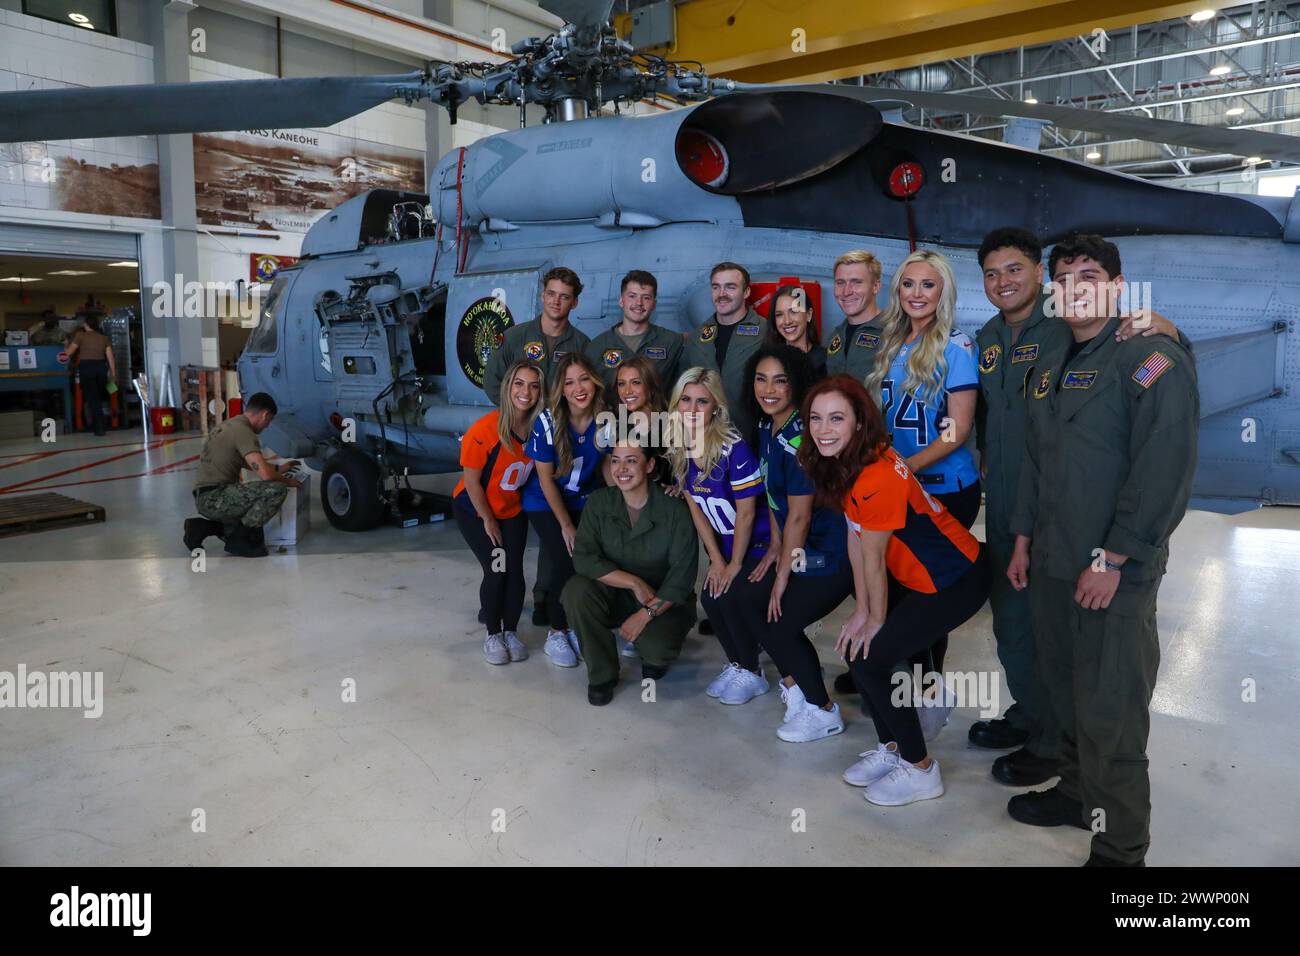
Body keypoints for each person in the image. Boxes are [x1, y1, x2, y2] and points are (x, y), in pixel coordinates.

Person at [971, 227, 1187, 787]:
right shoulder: (992, 337)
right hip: (1030, 516)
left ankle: (1087, 794)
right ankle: (1051, 745)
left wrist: (1169, 328)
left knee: (1105, 680)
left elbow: (1160, 457)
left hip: (1095, 531)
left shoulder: (1089, 338)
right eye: (992, 273)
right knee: (1032, 639)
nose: (1003, 282)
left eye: (1015, 269)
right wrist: (1021, 533)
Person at [802, 375, 991, 806]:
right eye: (816, 418)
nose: (823, 429)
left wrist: (874, 619)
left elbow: (873, 559)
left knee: (870, 659)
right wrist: (860, 613)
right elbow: (855, 539)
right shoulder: (846, 463)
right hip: (921, 579)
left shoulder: (877, 474)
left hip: (955, 579)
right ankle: (893, 750)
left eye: (836, 418)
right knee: (861, 651)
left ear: (858, 423)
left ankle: (921, 769)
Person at [846, 249, 980, 733]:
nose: (917, 294)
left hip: (942, 488)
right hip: (897, 489)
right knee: (900, 588)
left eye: (928, 285)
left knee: (924, 594)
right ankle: (904, 684)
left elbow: (958, 430)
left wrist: (904, 469)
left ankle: (929, 690)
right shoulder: (892, 341)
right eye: (908, 284)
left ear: (942, 291)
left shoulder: (958, 345)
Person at [737, 344, 850, 742]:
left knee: (779, 615)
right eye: (761, 379)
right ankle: (795, 683)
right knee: (748, 595)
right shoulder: (769, 427)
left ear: (796, 385)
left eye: (780, 381)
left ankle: (823, 710)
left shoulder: (799, 437)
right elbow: (776, 500)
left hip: (831, 554)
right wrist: (773, 548)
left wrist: (783, 573)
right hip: (802, 547)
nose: (768, 389)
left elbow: (801, 515)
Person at [482, 266, 591, 627]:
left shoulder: (580, 343)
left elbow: (584, 391)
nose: (556, 301)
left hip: (557, 443)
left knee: (550, 516)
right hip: (517, 441)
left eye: (564, 296)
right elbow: (493, 379)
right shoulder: (516, 336)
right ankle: (496, 600)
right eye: (551, 293)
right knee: (507, 518)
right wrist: (516, 417)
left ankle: (546, 596)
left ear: (574, 302)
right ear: (542, 295)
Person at [666, 367, 777, 705]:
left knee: (728, 595)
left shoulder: (733, 448)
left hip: (754, 544)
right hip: (725, 546)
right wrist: (715, 559)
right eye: (685, 400)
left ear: (716, 406)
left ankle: (752, 671)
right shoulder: (681, 443)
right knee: (710, 597)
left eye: (702, 401)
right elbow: (696, 508)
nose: (692, 409)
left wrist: (734, 563)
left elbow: (746, 513)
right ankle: (739, 663)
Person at [562, 439, 700, 705]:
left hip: (661, 600)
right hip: (615, 592)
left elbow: (681, 579)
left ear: (649, 465)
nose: (621, 468)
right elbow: (584, 558)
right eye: (615, 461)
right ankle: (602, 674)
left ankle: (650, 647)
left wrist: (645, 614)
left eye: (631, 460)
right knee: (576, 591)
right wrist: (633, 582)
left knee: (657, 652)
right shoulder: (600, 502)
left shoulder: (674, 510)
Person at [453, 360, 544, 665]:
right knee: (497, 569)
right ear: (508, 388)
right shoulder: (485, 429)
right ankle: (493, 634)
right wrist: (488, 519)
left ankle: (512, 631)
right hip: (475, 507)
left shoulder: (539, 430)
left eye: (533, 385)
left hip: (512, 509)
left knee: (515, 571)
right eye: (519, 383)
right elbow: (471, 481)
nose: (525, 391)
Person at [522, 352, 610, 667]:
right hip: (545, 502)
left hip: (583, 497)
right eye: (569, 382)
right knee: (566, 557)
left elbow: (612, 468)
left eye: (584, 379)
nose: (578, 388)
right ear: (561, 388)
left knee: (592, 557)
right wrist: (566, 525)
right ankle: (557, 633)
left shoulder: (607, 419)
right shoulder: (547, 421)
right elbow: (545, 481)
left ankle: (579, 623)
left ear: (595, 381)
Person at [186, 392, 302, 558]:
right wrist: (287, 480)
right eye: (268, 421)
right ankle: (239, 541)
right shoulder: (244, 431)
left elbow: (253, 464)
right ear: (265, 415)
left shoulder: (229, 426)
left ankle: (200, 528)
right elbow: (265, 476)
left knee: (249, 506)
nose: (267, 426)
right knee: (276, 490)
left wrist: (279, 469)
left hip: (206, 496)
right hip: (216, 496)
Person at [680, 262, 769, 437]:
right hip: (705, 440)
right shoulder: (697, 337)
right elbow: (682, 389)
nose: (722, 294)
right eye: (716, 287)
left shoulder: (766, 333)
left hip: (751, 439)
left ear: (746, 292)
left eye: (730, 287)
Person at [584, 270, 683, 396]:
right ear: (621, 301)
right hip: (611, 415)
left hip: (656, 415)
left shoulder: (671, 343)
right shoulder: (596, 347)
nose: (639, 303)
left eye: (646, 297)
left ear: (654, 304)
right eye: (632, 296)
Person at [826, 250, 886, 381]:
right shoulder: (835, 337)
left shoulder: (894, 334)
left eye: (856, 282)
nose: (846, 292)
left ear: (876, 286)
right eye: (840, 283)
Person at [64, 313, 116, 437]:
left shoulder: (80, 336)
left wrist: (65, 346)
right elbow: (110, 358)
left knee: (93, 399)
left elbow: (69, 353)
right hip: (101, 368)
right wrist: (113, 375)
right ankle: (100, 426)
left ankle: (99, 428)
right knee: (97, 397)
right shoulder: (104, 338)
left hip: (87, 369)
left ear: (86, 324)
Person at [765, 284, 827, 379]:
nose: (787, 321)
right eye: (779, 315)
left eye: (794, 312)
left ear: (808, 315)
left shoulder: (825, 359)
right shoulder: (767, 359)